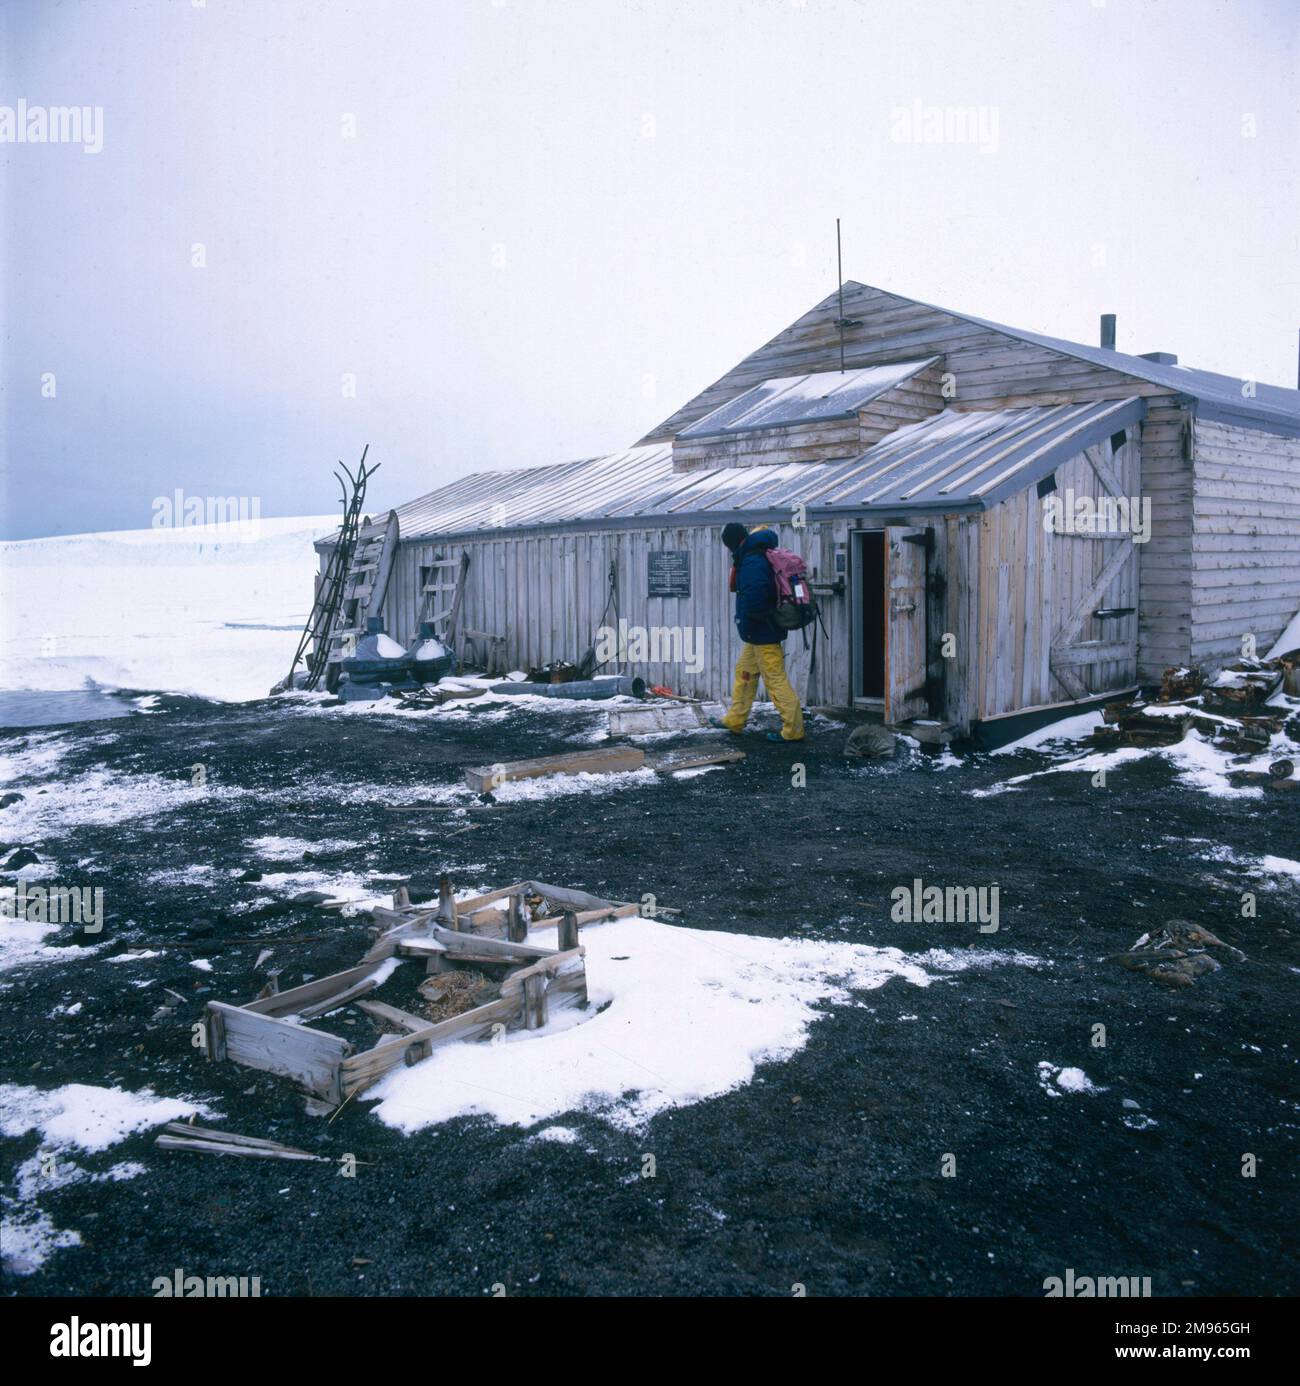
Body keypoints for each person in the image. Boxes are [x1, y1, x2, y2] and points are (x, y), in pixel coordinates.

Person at [715, 522, 805, 742]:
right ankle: (735, 720)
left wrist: (749, 618)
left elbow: (755, 595)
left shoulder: (752, 560)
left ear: (733, 543)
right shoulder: (754, 554)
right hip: (756, 633)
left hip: (762, 631)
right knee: (744, 672)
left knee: (775, 679)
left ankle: (793, 730)